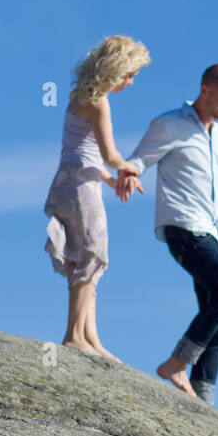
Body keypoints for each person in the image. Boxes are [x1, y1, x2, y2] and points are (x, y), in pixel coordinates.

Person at [115, 64, 218, 406]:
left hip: (214, 231)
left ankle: (202, 394)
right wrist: (130, 174)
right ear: (205, 90)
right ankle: (177, 364)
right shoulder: (169, 124)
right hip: (183, 227)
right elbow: (137, 159)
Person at [44, 35, 150, 358]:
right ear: (114, 69)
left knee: (85, 253)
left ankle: (89, 334)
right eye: (129, 74)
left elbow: (83, 153)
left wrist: (110, 179)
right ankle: (75, 334)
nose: (131, 82)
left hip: (70, 180)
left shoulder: (79, 96)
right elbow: (111, 154)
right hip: (80, 186)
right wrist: (131, 169)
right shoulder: (99, 101)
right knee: (92, 252)